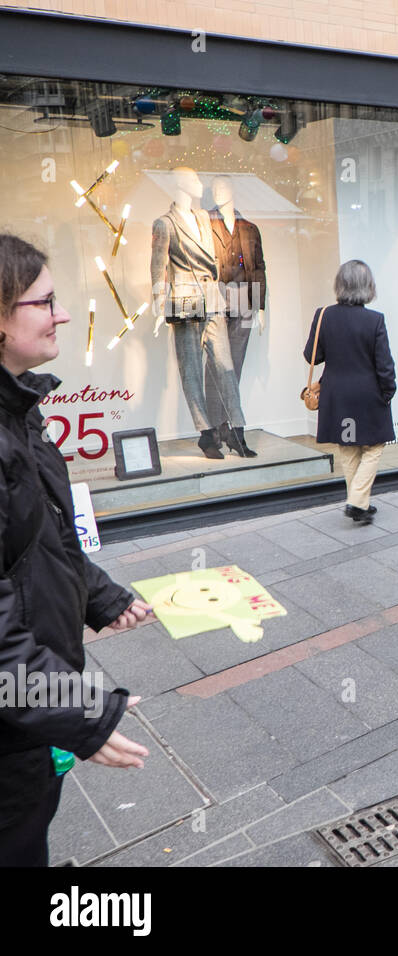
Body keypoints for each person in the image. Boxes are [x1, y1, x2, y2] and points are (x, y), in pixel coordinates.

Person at [0, 234, 152, 866]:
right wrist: (85, 716)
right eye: (46, 302)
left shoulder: (18, 407)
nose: (62, 314)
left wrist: (98, 593)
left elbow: (43, 537)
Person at [304, 261, 396, 526]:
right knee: (374, 446)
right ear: (368, 287)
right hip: (368, 396)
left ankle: (359, 502)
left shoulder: (324, 315)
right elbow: (384, 364)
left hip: (337, 397)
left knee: (349, 447)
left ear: (339, 285)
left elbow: (312, 356)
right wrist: (388, 391)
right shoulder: (374, 320)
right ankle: (357, 501)